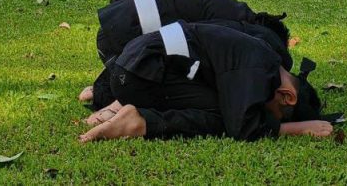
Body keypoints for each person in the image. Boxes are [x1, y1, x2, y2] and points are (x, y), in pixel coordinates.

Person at [78, 21, 333, 143]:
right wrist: (293, 128)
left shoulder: (261, 58)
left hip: (135, 67)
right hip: (141, 73)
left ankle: (117, 108)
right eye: (278, 114)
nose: (268, 113)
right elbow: (242, 127)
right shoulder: (259, 68)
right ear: (287, 96)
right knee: (226, 115)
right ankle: (140, 122)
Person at [80, 0, 292, 109]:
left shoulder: (235, 13)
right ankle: (103, 95)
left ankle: (103, 88)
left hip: (116, 24)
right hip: (122, 34)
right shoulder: (237, 27)